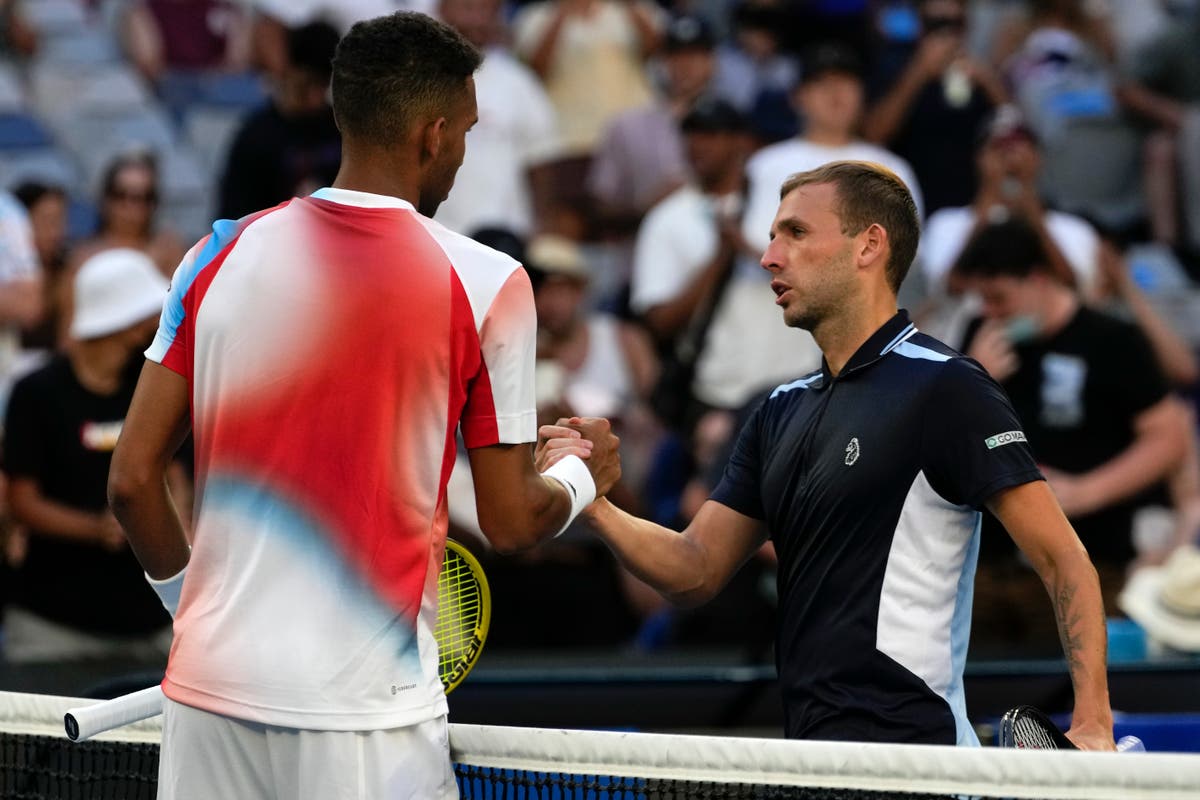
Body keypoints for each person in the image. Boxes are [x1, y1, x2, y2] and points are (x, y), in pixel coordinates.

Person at [107, 13, 619, 799]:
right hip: (365, 720)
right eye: (467, 134)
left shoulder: (216, 252)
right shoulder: (490, 283)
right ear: (433, 134)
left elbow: (133, 480)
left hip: (206, 695)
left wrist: (192, 611)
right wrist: (585, 475)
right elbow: (514, 520)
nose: (461, 155)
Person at [540, 161, 1115, 749]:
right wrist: (593, 504)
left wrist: (1093, 720)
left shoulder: (948, 388)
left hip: (920, 766)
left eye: (795, 232)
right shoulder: (776, 412)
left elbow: (1063, 558)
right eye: (771, 236)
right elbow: (694, 570)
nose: (769, 256)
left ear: (869, 245)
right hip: (812, 764)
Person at [955, 217, 1190, 653]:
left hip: (1083, 560)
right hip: (989, 569)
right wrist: (973, 378)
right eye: (982, 300)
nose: (990, 312)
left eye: (1000, 298)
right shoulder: (981, 339)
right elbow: (945, 437)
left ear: (1038, 279)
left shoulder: (1112, 341)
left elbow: (1169, 439)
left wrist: (1086, 491)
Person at [2, 249, 174, 663]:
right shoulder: (36, 392)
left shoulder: (156, 385)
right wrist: (97, 529)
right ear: (127, 321)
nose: (160, 319)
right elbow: (22, 501)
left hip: (152, 624)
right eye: (149, 310)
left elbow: (180, 479)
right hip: (51, 629)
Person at [217, 21, 343, 220]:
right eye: (306, 85)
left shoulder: (340, 130)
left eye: (322, 87)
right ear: (289, 71)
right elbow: (234, 216)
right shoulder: (256, 137)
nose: (314, 97)